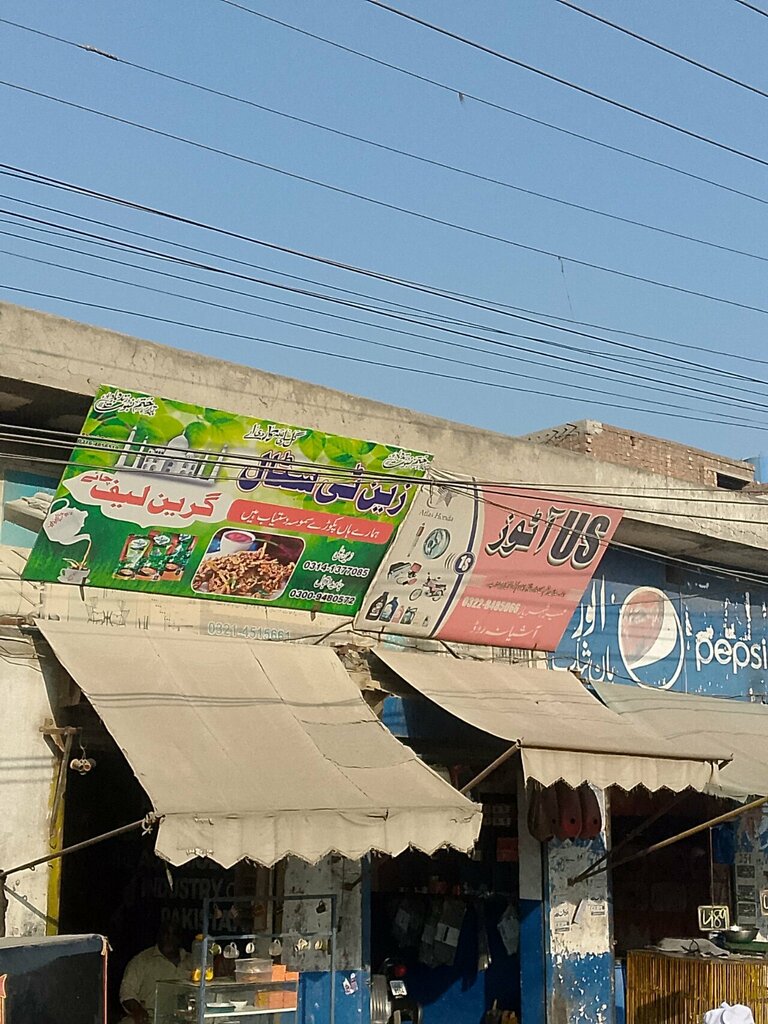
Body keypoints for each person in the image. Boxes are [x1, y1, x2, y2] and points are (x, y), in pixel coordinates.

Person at [119, 922, 191, 1024]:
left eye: (174, 934)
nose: (169, 938)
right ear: (158, 936)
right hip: (149, 1019)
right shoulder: (142, 960)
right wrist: (138, 1010)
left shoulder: (192, 961)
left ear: (180, 938)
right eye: (166, 933)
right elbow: (127, 992)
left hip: (185, 1020)